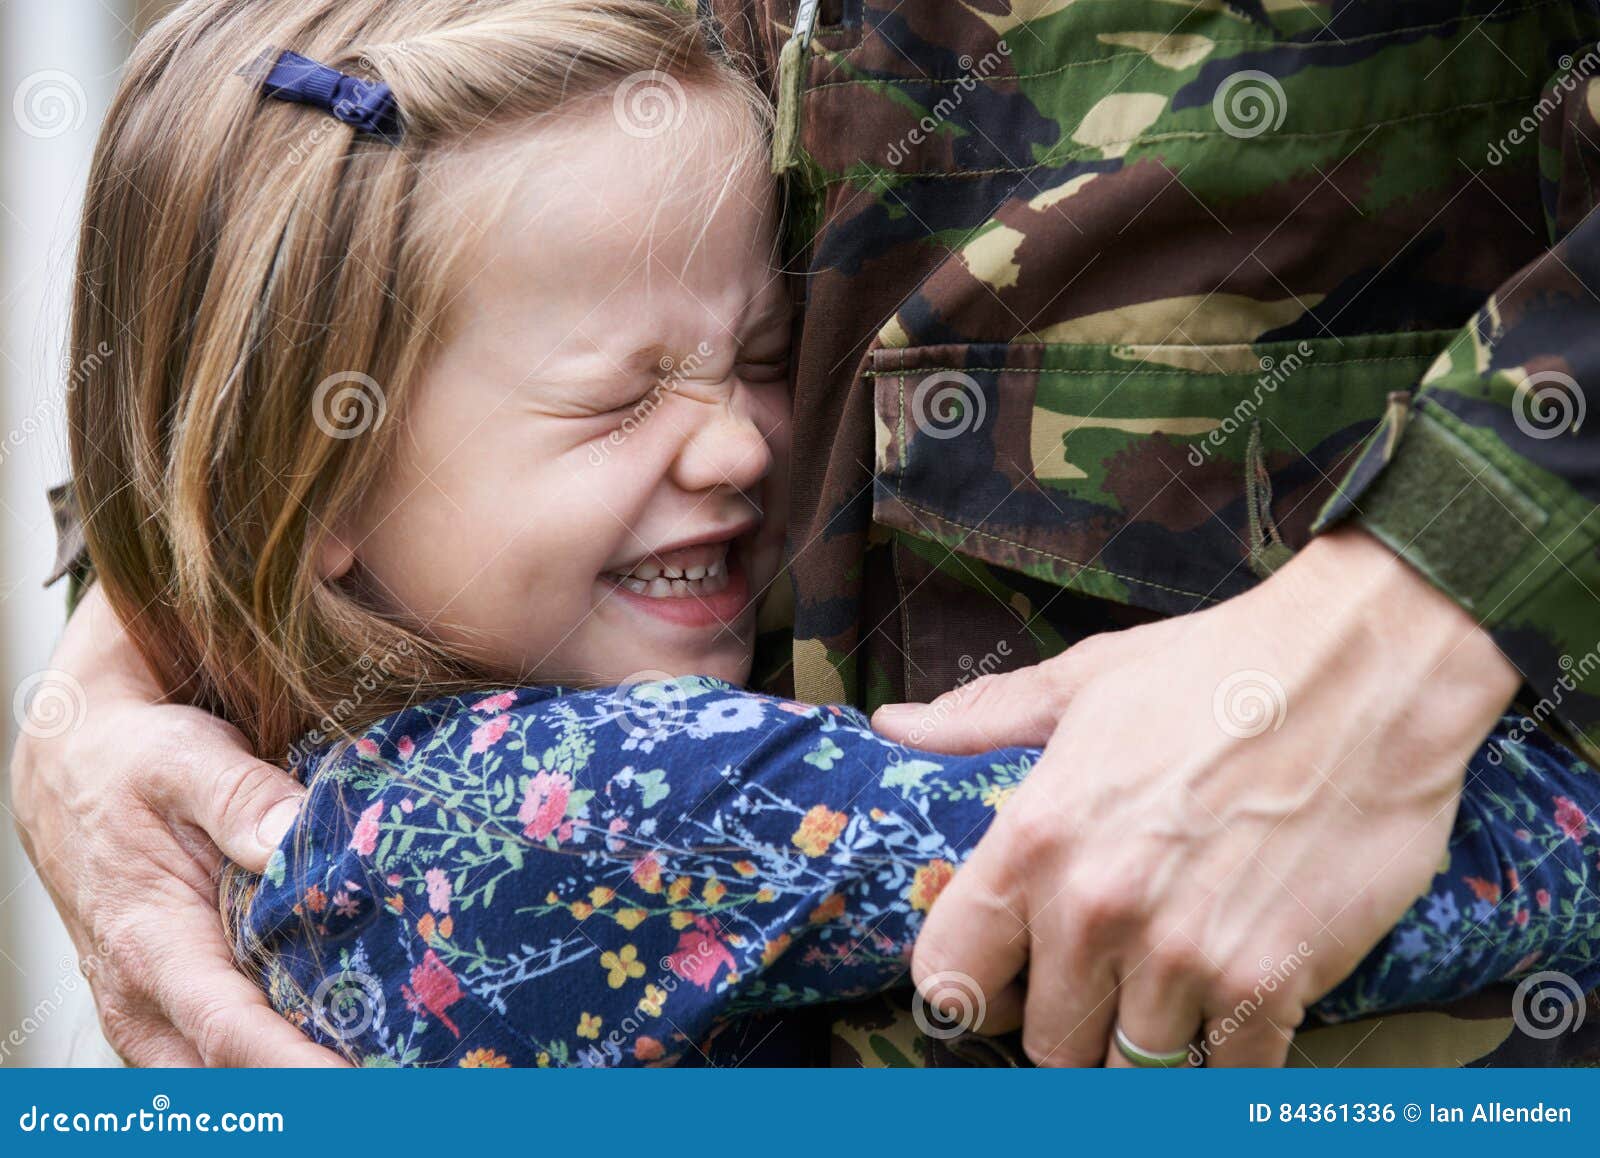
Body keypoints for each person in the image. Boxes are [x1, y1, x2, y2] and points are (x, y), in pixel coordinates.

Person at [14, 0, 1600, 1067]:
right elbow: (1170, 875)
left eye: (765, 359)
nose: (745, 440)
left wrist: (1426, 604)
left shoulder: (342, 819)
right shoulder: (590, 811)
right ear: (322, 481)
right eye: (614, 400)